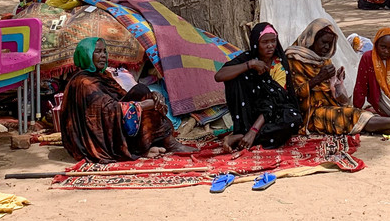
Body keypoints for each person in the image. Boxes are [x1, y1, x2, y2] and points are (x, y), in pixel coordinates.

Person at [62, 38, 195, 162]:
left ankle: (153, 144)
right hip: (99, 139)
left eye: (104, 51)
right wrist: (142, 105)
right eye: (97, 52)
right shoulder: (84, 83)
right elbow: (108, 112)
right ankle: (162, 143)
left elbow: (122, 97)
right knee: (141, 98)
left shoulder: (102, 75)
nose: (103, 55)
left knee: (141, 90)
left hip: (112, 127)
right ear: (86, 54)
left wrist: (152, 96)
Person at [286, 19, 390, 135]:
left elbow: (328, 91)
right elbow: (293, 95)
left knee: (354, 116)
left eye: (330, 44)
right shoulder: (294, 60)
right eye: (324, 42)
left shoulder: (323, 60)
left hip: (329, 106)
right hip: (309, 114)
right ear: (311, 39)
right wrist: (318, 78)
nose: (326, 47)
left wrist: (336, 80)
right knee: (353, 115)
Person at [215, 23, 304, 150]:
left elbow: (274, 100)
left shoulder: (278, 64)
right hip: (249, 113)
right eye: (265, 42)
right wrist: (250, 65)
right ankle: (246, 133)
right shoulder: (247, 59)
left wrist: (254, 130)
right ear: (256, 44)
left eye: (273, 41)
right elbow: (219, 76)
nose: (270, 46)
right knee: (236, 75)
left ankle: (242, 137)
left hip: (272, 113)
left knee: (294, 119)